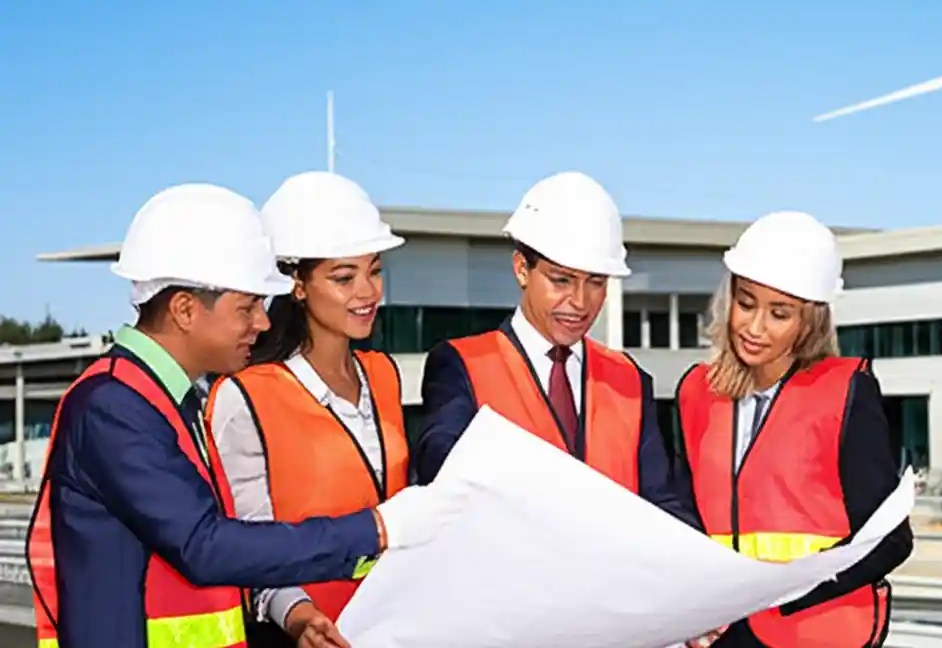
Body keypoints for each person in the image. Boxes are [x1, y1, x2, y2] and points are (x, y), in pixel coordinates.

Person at [26, 183, 439, 648]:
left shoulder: (163, 400)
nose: (262, 323)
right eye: (247, 307)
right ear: (184, 309)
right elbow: (206, 545)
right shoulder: (113, 406)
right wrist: (374, 529)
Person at [674, 211, 914, 648]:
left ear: (810, 322)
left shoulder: (847, 393)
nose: (755, 327)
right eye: (746, 303)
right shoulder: (695, 393)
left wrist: (786, 591)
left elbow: (891, 540)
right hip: (719, 633)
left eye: (779, 314)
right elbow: (680, 516)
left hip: (816, 632)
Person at [412, 171, 697, 526]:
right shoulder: (462, 367)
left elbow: (664, 505)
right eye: (561, 280)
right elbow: (442, 477)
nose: (579, 302)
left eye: (595, 282)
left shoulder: (630, 379)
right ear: (521, 269)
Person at [205, 172, 409, 647]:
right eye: (343, 277)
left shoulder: (384, 375)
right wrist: (299, 616)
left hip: (397, 628)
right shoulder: (246, 396)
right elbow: (246, 546)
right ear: (297, 283)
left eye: (374, 270)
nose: (367, 292)